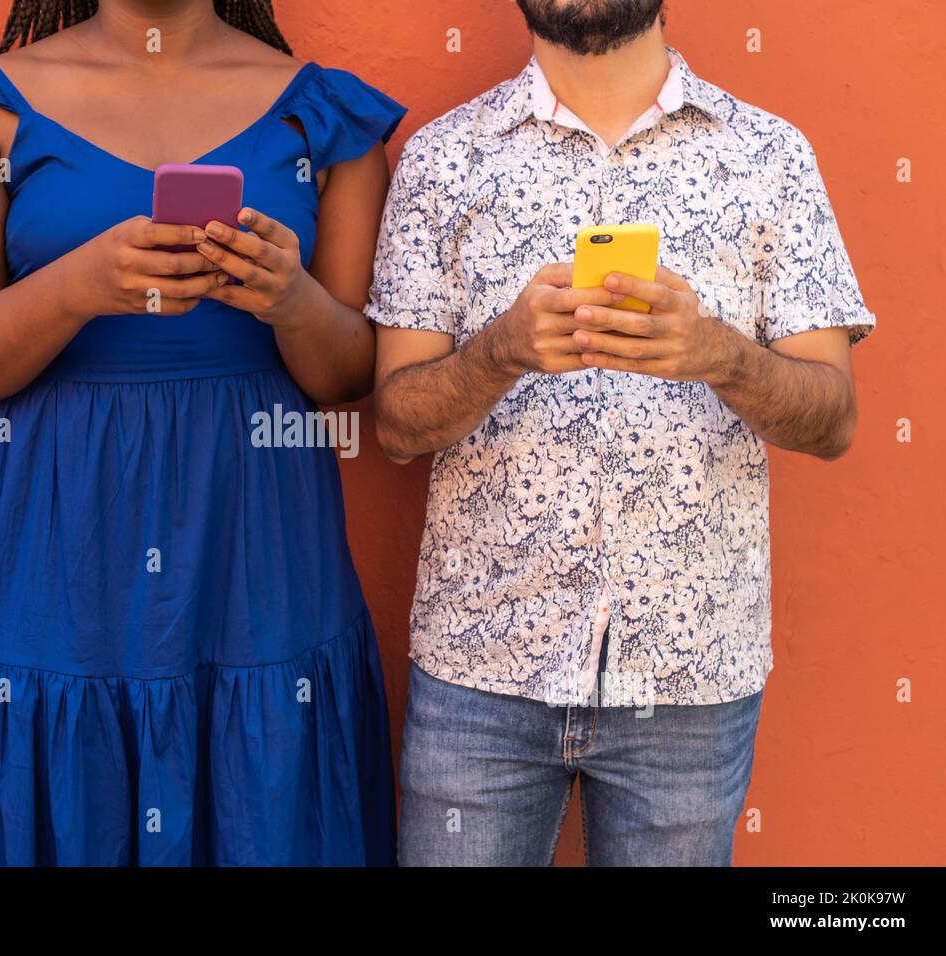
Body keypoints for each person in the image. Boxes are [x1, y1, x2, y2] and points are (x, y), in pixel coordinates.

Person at [0, 0, 405, 865]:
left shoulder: (324, 117)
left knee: (258, 799)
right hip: (51, 553)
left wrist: (290, 300)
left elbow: (351, 376)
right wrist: (78, 286)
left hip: (255, 550)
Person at [367, 0, 873, 866]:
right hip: (482, 667)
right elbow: (397, 426)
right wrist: (500, 353)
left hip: (690, 675)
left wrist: (720, 353)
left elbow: (834, 422)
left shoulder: (768, 157)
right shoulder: (444, 159)